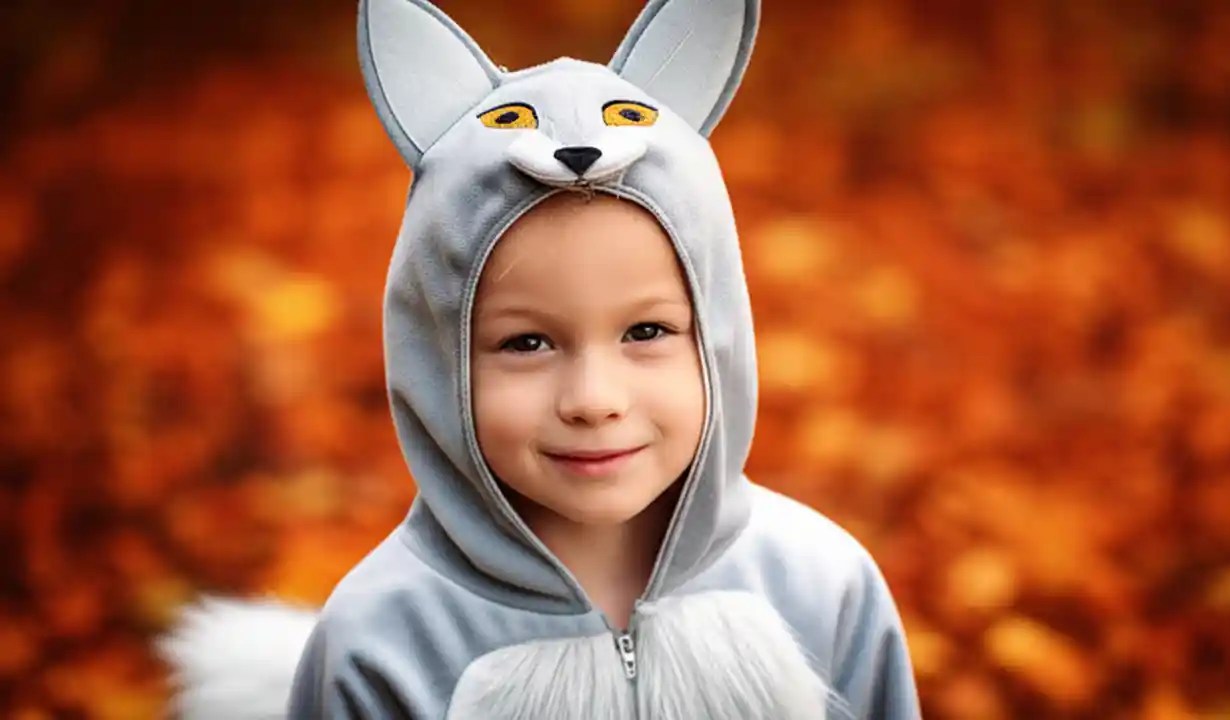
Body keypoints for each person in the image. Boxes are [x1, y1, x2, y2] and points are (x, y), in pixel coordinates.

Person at [158, 0, 922, 717]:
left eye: (647, 332)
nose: (594, 398)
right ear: (441, 361)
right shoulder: (383, 638)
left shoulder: (822, 589)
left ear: (718, 334)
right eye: (527, 343)